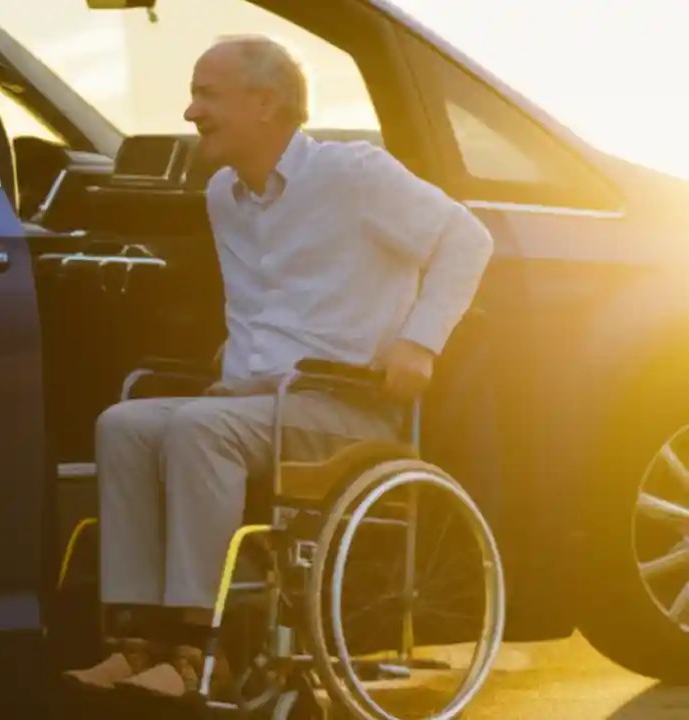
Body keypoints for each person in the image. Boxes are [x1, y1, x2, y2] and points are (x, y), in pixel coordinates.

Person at [61, 34, 494, 698]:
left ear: (265, 103)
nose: (190, 113)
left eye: (206, 95)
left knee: (198, 432)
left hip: (344, 407)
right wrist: (235, 360)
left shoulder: (351, 175)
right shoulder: (224, 198)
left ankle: (198, 655)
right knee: (124, 422)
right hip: (256, 402)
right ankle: (137, 642)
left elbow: (467, 239)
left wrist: (420, 341)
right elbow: (263, 303)